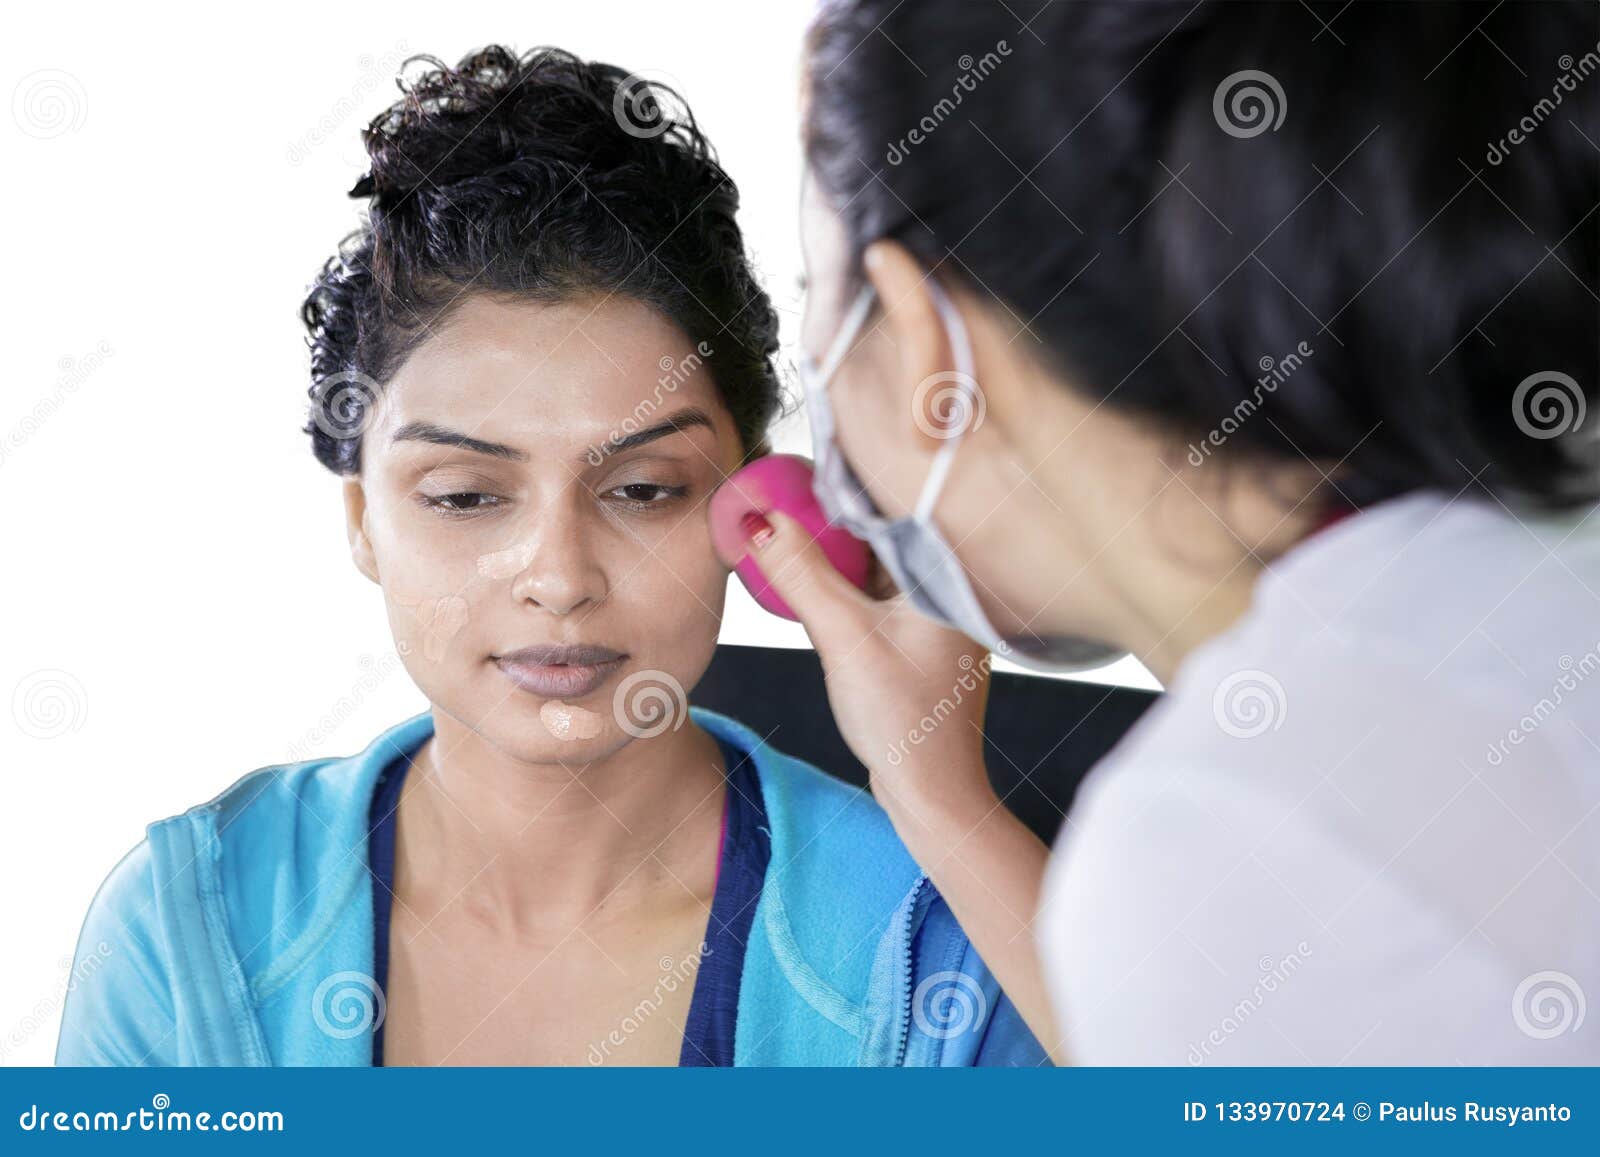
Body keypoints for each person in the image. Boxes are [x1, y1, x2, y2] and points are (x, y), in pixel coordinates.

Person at [55, 45, 1045, 1068]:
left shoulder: (941, 949)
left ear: (751, 509)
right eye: (465, 496)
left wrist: (943, 802)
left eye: (644, 489)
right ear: (363, 518)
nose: (561, 578)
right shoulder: (187, 932)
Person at [731, 0, 1600, 1062]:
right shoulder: (1506, 563)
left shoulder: (1228, 832)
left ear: (928, 349)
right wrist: (933, 789)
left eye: (817, 294)